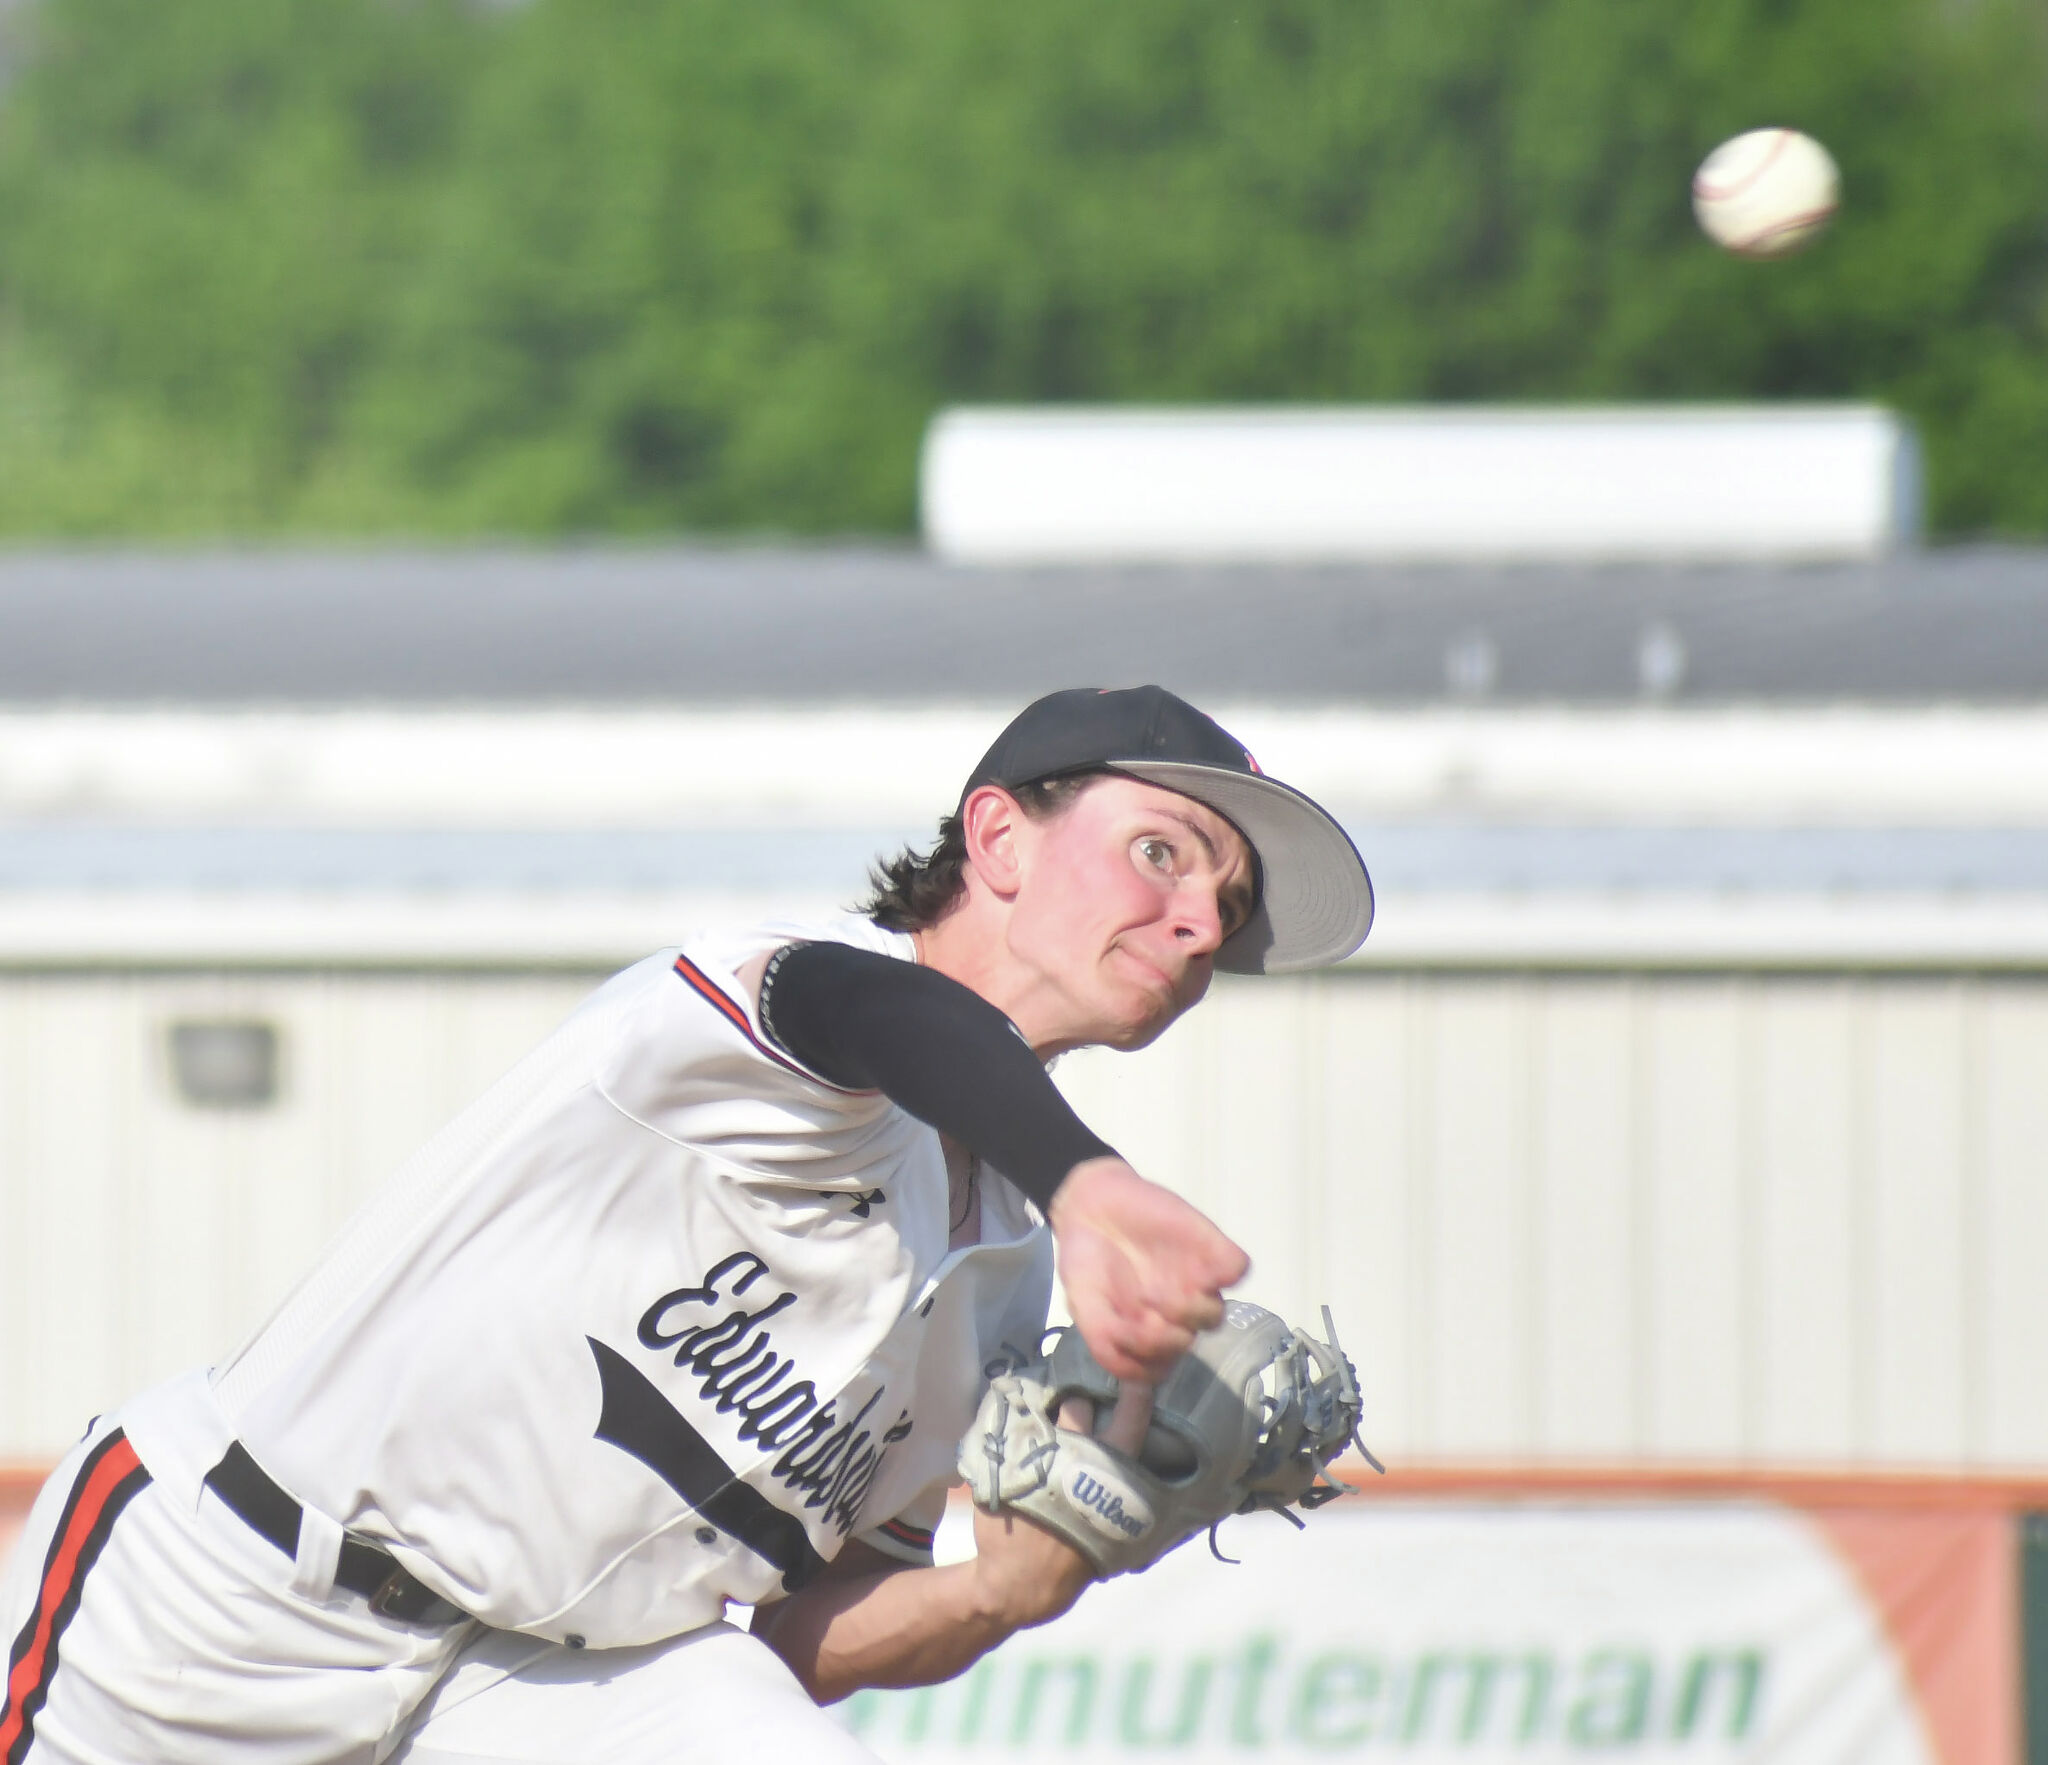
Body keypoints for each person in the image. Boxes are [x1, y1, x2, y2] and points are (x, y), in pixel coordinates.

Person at [0, 685, 1373, 1765]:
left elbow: (796, 1637)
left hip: (538, 1681)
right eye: (1164, 853)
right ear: (998, 834)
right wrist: (1089, 1177)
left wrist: (1006, 1588)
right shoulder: (774, 1008)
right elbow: (877, 1020)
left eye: (1228, 909)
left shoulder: (1005, 1279)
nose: (1199, 922)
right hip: (229, 1603)